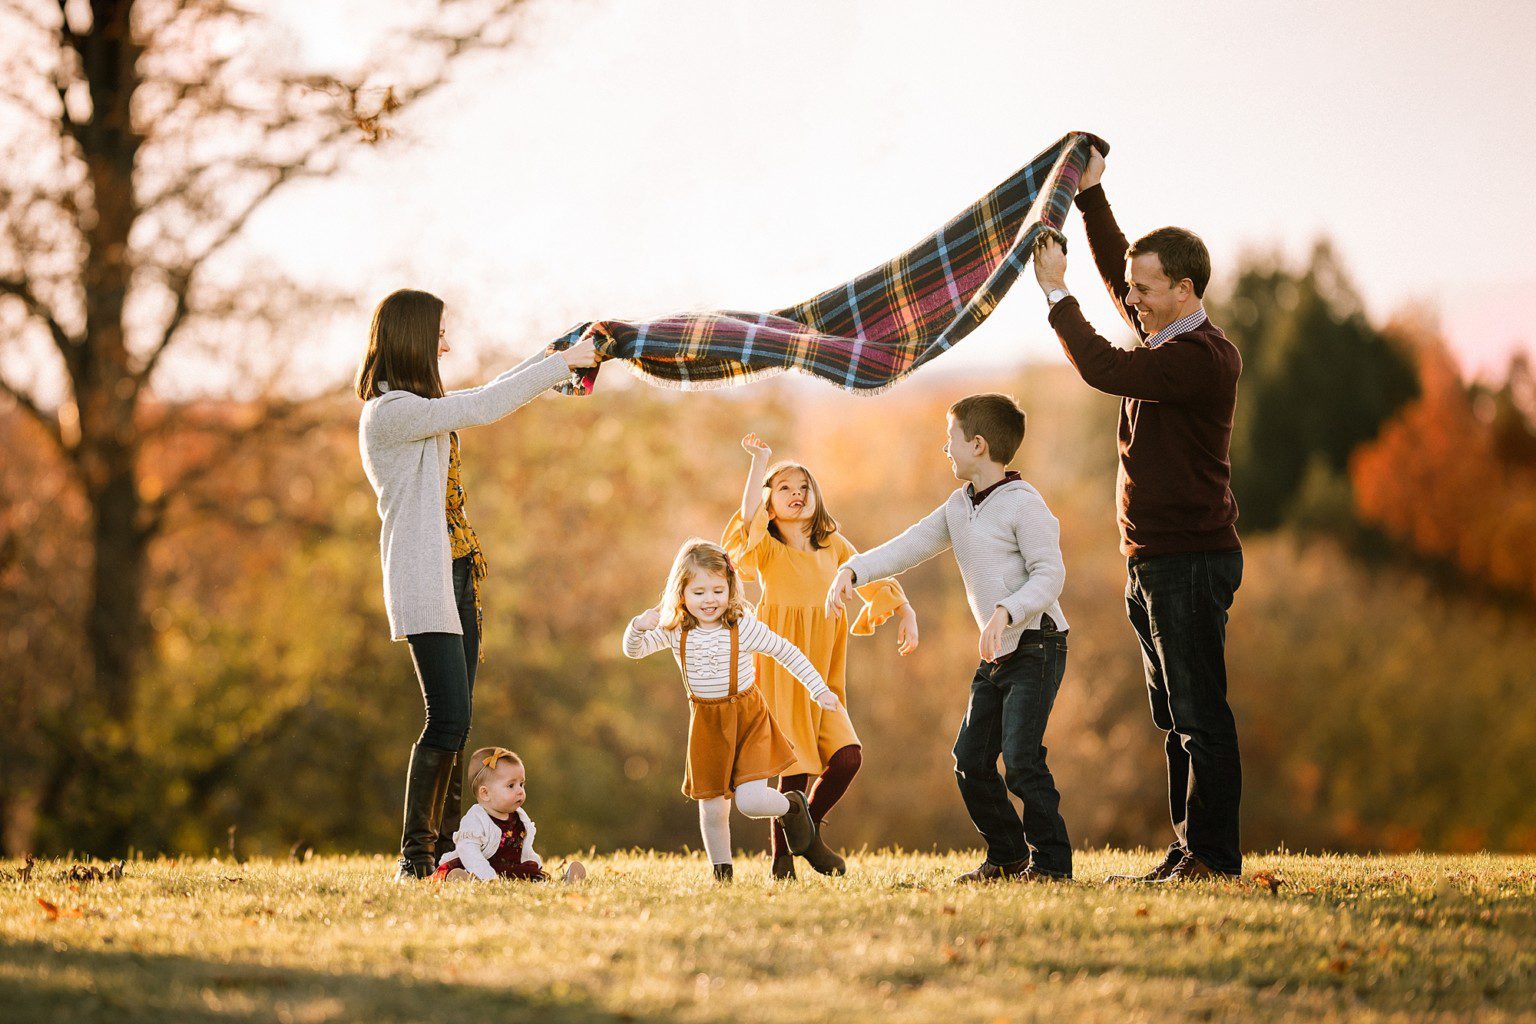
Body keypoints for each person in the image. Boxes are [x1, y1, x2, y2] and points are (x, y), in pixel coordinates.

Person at [1032, 146, 1245, 882]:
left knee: (1199, 715)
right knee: (1172, 718)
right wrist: (1091, 196)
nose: (1134, 301)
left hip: (1189, 559)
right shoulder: (1165, 331)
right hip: (1153, 560)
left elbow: (1104, 368)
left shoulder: (1201, 356)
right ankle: (1188, 850)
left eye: (1146, 291)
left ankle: (1213, 857)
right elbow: (1119, 269)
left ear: (1185, 290)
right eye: (1134, 291)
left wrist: (1056, 295)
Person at [356, 287, 599, 881]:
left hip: (460, 572)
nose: (446, 344)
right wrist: (559, 366)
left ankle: (448, 855)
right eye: (439, 333)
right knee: (446, 719)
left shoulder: (419, 406)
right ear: (414, 337)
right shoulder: (391, 413)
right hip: (425, 579)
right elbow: (484, 405)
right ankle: (415, 859)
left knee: (458, 723)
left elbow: (485, 393)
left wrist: (557, 354)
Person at [826, 394, 1073, 883]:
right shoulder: (959, 506)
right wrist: (852, 569)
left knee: (1021, 761)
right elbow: (911, 544)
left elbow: (1051, 574)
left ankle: (1051, 863)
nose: (945, 448)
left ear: (978, 445)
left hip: (1038, 643)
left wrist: (1006, 609)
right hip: (998, 651)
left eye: (951, 438)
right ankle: (1007, 856)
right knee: (970, 760)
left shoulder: (1024, 504)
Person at [722, 433, 919, 879]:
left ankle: (806, 830)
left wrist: (904, 609)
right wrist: (760, 463)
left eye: (804, 486)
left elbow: (871, 574)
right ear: (770, 504)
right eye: (784, 488)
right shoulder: (767, 548)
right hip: (782, 665)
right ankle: (782, 863)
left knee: (847, 757)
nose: (797, 494)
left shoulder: (835, 546)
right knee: (794, 765)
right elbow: (746, 521)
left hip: (824, 667)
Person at [623, 539, 840, 882]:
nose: (709, 600)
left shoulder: (742, 626)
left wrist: (819, 689)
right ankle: (722, 875)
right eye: (699, 592)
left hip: (748, 720)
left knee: (750, 802)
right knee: (712, 808)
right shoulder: (675, 630)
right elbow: (634, 651)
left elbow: (787, 652)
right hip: (707, 725)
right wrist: (637, 626)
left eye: (718, 590)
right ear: (681, 594)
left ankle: (792, 806)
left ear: (730, 588)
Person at [435, 746, 586, 883]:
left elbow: (525, 850)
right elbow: (468, 852)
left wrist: (535, 866)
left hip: (509, 870)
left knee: (532, 877)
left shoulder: (520, 817)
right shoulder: (476, 819)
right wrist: (488, 877)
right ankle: (462, 879)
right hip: (477, 867)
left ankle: (566, 880)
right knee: (464, 874)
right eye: (511, 785)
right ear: (485, 793)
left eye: (522, 784)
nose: (520, 791)